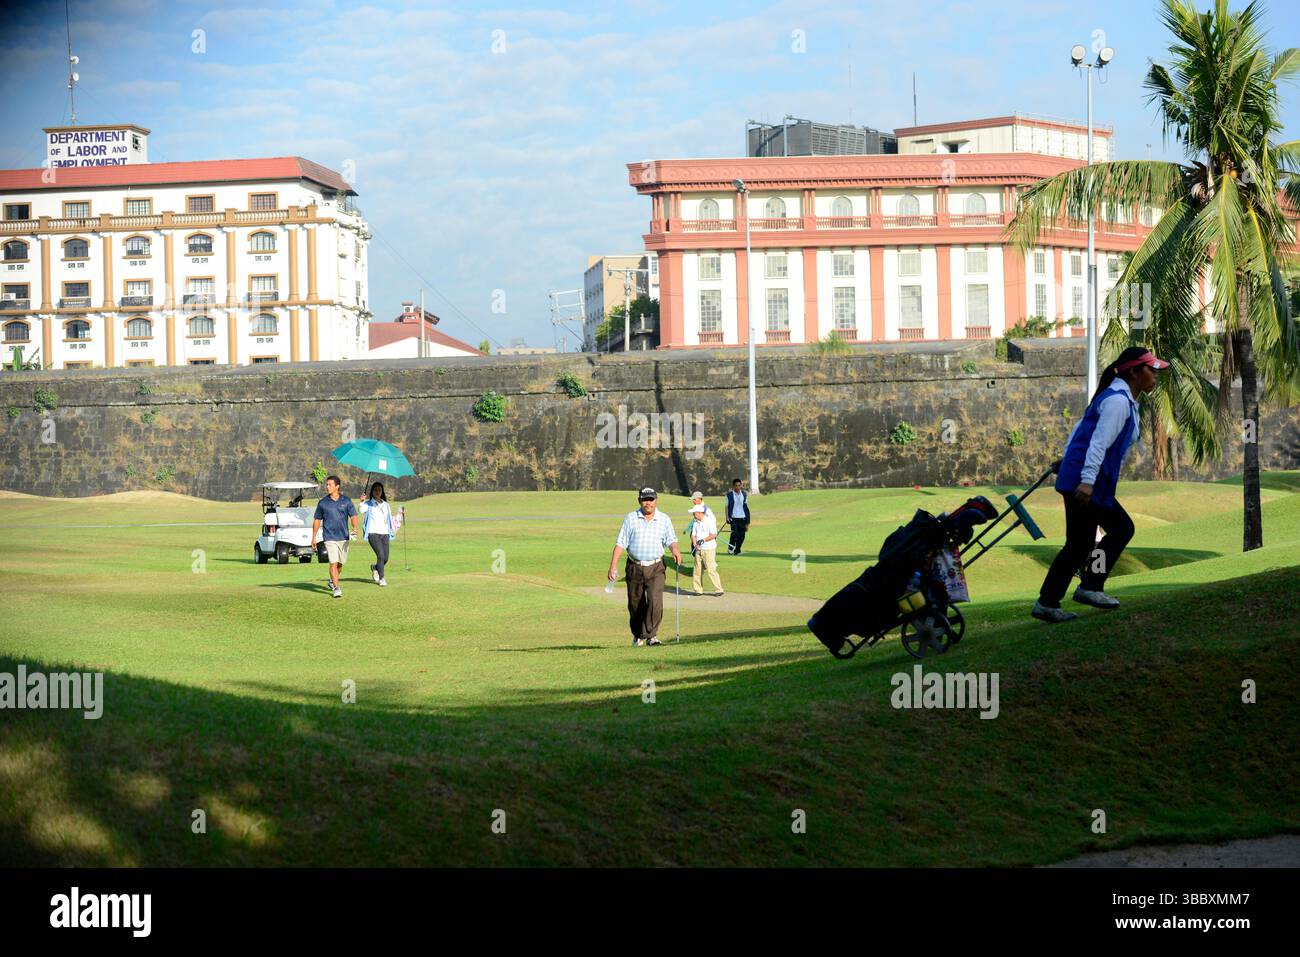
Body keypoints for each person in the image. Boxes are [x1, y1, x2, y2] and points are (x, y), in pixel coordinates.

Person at [1032, 347, 1168, 624]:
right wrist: (1086, 482)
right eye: (1150, 369)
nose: (1155, 375)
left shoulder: (1124, 399)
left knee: (1079, 545)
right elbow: (1098, 442)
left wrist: (1070, 459)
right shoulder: (1118, 401)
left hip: (1087, 479)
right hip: (1087, 482)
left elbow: (1082, 430)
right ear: (1133, 371)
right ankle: (1088, 588)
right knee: (1120, 529)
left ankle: (1051, 601)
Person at [607, 487, 683, 646]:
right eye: (644, 500)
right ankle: (638, 636)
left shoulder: (664, 519)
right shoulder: (631, 518)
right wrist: (613, 566)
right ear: (639, 501)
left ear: (656, 501)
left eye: (651, 499)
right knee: (635, 604)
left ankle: (651, 636)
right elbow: (621, 543)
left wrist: (675, 550)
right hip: (635, 566)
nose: (648, 503)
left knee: (655, 601)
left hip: (656, 566)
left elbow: (671, 540)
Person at [311, 475, 359, 599]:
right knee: (333, 562)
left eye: (330, 484)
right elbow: (317, 520)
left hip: (344, 537)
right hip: (329, 537)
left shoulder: (346, 501)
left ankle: (332, 581)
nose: (327, 487)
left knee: (340, 564)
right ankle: (336, 588)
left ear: (337, 486)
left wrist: (354, 528)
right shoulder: (323, 503)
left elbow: (353, 516)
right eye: (327, 484)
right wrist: (314, 537)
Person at [359, 481, 399, 587]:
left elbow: (390, 519)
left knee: (385, 558)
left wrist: (399, 515)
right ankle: (382, 578)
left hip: (385, 533)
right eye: (375, 490)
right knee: (380, 555)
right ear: (372, 491)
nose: (377, 491)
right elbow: (361, 510)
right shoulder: (368, 503)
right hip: (373, 533)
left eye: (379, 490)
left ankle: (375, 567)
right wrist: (362, 501)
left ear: (382, 492)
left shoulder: (386, 505)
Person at [687, 501, 724, 597]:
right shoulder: (695, 522)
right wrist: (695, 543)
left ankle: (718, 589)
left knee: (711, 569)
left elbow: (713, 535)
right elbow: (693, 534)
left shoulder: (709, 521)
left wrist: (703, 540)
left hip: (709, 549)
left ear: (699, 513)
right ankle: (698, 590)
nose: (693, 514)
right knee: (697, 570)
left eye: (694, 513)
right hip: (698, 549)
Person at [724, 478, 752, 554]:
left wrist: (747, 519)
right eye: (736, 486)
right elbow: (726, 506)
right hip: (733, 517)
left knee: (742, 536)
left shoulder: (744, 494)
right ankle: (731, 547)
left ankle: (737, 550)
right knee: (734, 533)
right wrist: (727, 517)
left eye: (739, 485)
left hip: (742, 517)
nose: (738, 487)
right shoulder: (729, 495)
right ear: (733, 486)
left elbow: (745, 506)